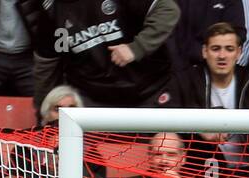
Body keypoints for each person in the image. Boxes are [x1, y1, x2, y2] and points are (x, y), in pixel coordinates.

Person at [26, 0, 178, 109]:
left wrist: (137, 47)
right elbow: (48, 62)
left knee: (163, 146)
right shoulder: (52, 9)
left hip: (148, 91)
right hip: (94, 99)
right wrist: (41, 110)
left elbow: (168, 10)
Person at [168, 22, 249, 175]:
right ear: (204, 51)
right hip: (199, 171)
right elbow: (163, 124)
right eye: (215, 49)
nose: (222, 56)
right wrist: (198, 128)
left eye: (229, 49)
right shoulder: (185, 81)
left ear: (239, 53)